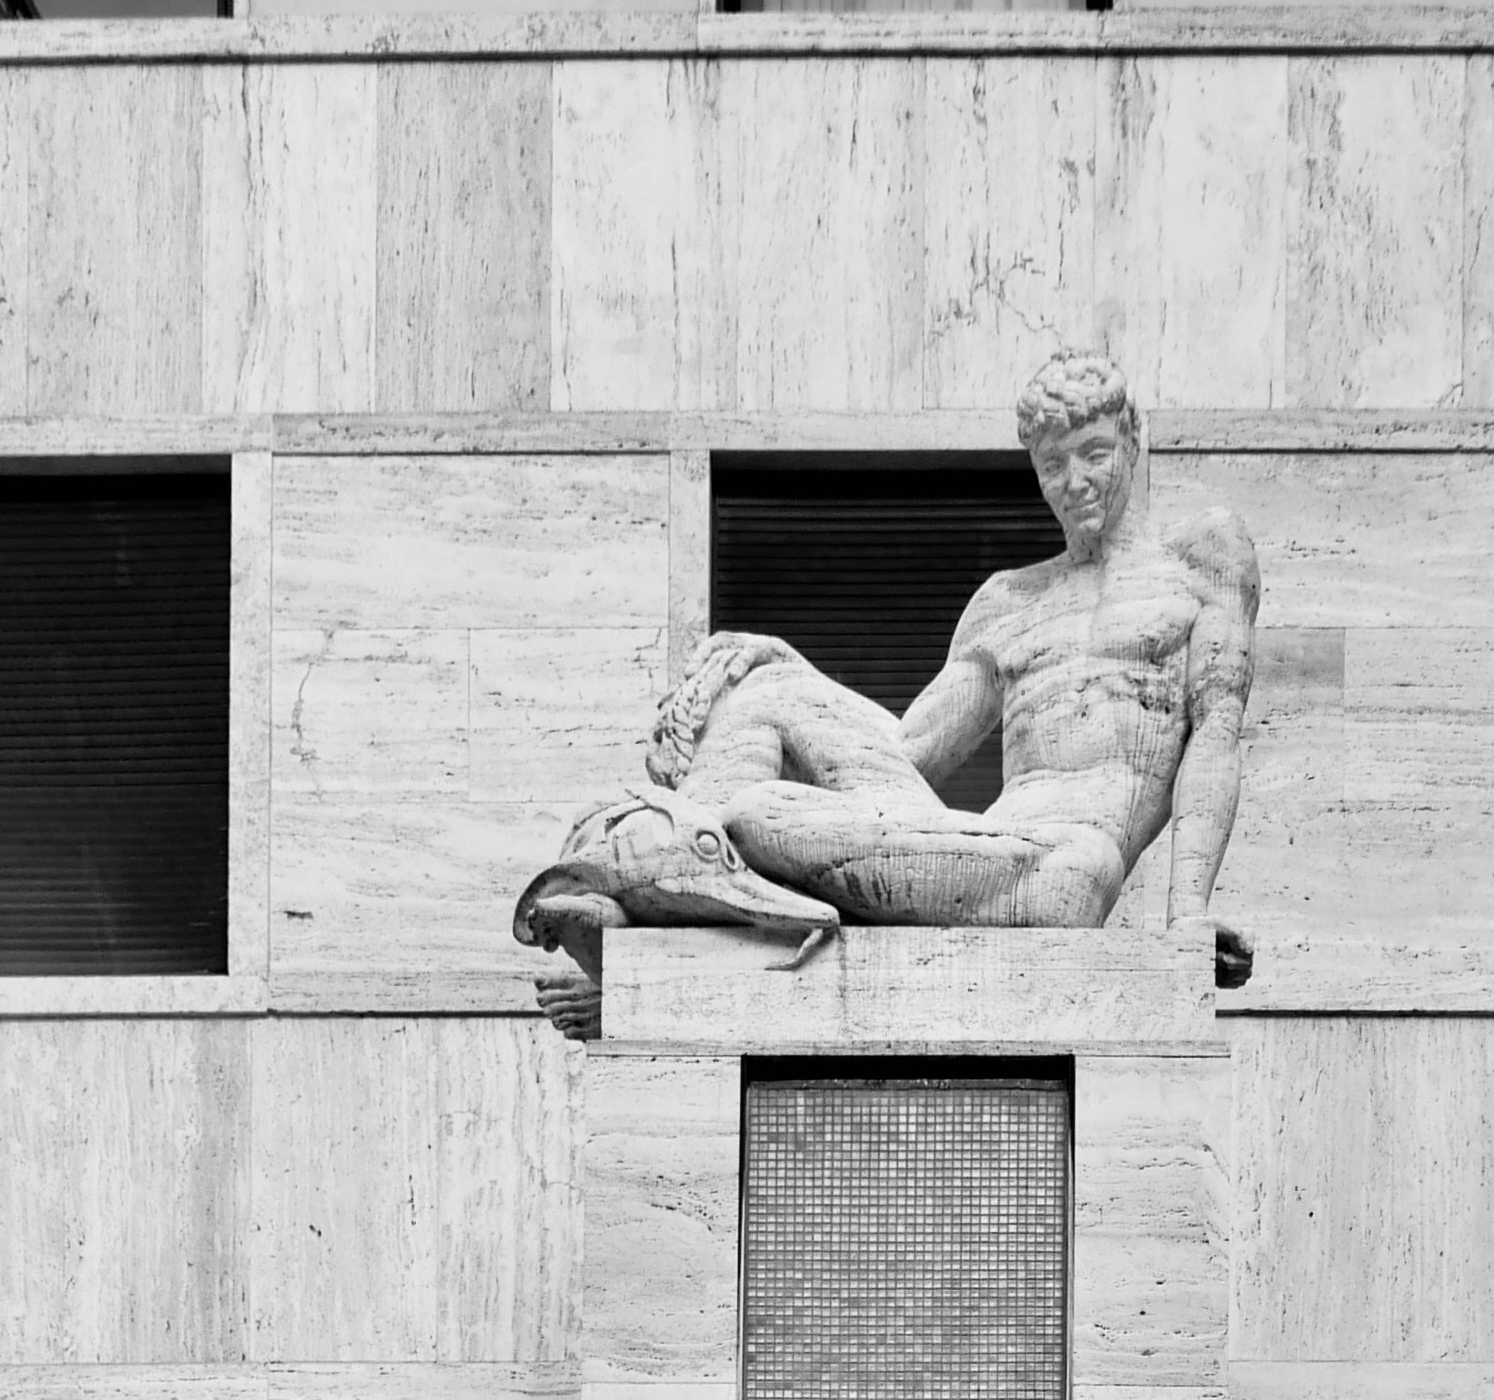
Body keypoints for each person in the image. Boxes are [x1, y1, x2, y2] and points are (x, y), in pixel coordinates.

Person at [513, 347, 1258, 975]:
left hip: (1067, 864)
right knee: (768, 691)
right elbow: (911, 753)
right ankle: (653, 909)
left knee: (754, 815)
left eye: (1094, 454)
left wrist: (1187, 917)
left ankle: (651, 923)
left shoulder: (1199, 563)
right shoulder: (1009, 601)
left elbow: (1215, 739)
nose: (1076, 482)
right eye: (1053, 464)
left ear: (1135, 438)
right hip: (974, 846)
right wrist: (791, 671)